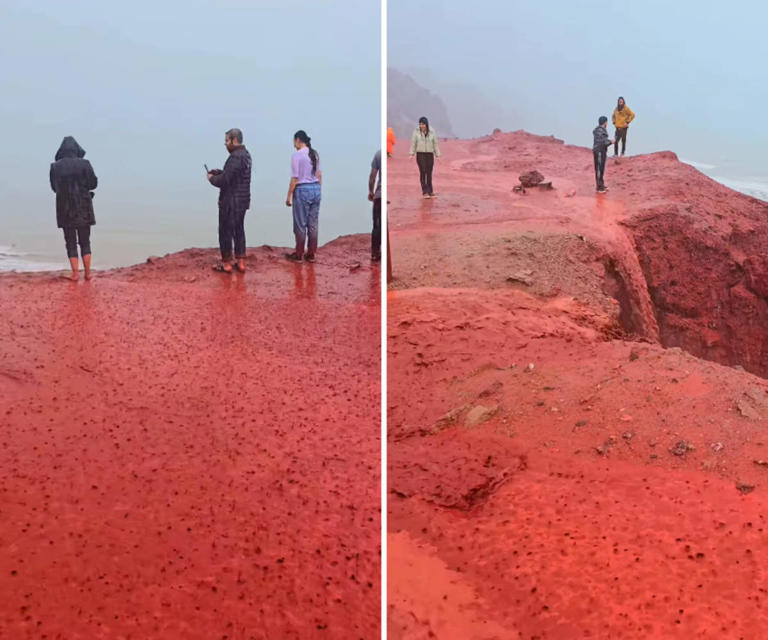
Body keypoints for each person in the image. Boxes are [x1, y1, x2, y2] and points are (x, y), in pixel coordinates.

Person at [49, 136, 98, 281]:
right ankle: (88, 273)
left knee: (70, 241)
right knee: (85, 241)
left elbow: (54, 188)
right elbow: (93, 184)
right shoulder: (85, 164)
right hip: (83, 206)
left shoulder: (55, 167)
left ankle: (75, 274)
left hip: (65, 208)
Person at [207, 128, 252, 273]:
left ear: (234, 140)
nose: (225, 144)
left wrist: (212, 178)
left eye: (227, 140)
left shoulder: (235, 157)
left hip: (230, 202)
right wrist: (220, 172)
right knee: (239, 230)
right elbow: (234, 176)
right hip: (243, 201)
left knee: (225, 231)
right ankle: (241, 261)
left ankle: (226, 263)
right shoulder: (246, 155)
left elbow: (225, 181)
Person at [285, 130, 322, 262]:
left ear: (298, 140)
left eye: (294, 141)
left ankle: (299, 254)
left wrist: (288, 196)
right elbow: (319, 175)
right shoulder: (314, 154)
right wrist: (318, 190)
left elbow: (295, 178)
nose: (294, 144)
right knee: (313, 224)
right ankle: (311, 254)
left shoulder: (297, 155)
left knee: (300, 224)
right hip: (316, 188)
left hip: (302, 189)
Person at [409, 116, 440, 198]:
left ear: (426, 124)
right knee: (423, 171)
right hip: (420, 154)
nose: (421, 126)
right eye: (420, 124)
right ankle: (424, 192)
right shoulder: (416, 131)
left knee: (429, 172)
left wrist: (437, 155)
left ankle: (430, 191)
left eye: (423, 124)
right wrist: (411, 153)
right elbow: (413, 143)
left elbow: (435, 143)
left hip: (430, 154)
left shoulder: (432, 131)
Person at [592, 116, 614, 194]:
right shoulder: (600, 131)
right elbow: (603, 142)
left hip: (601, 151)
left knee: (601, 169)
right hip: (599, 151)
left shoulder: (599, 130)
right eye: (606, 122)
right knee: (599, 169)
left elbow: (603, 140)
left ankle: (601, 185)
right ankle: (599, 187)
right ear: (605, 122)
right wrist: (611, 142)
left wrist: (609, 141)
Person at [369, 149, 382, 262]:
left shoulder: (378, 154)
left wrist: (371, 192)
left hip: (378, 196)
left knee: (377, 225)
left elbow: (372, 176)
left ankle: (375, 253)